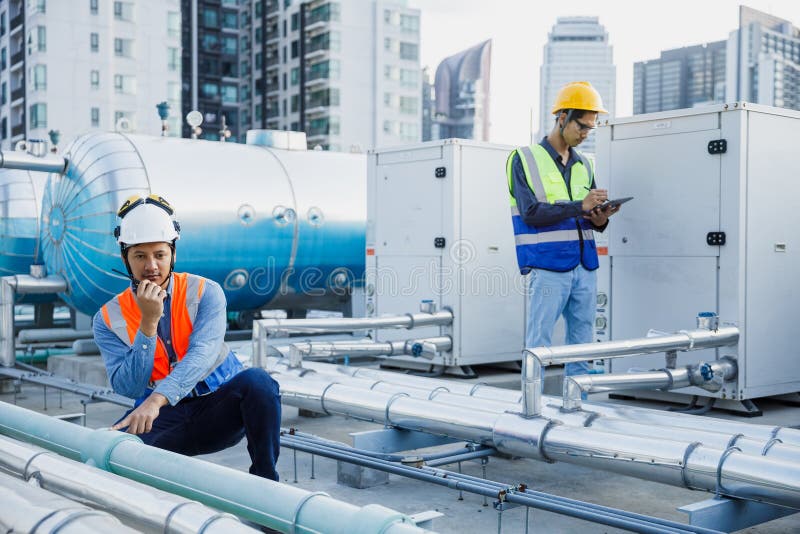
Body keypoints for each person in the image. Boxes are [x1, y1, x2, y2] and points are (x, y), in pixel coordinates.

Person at [93, 194, 281, 481]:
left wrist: (156, 400)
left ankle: (267, 483)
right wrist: (148, 324)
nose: (151, 266)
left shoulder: (206, 292)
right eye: (140, 256)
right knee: (108, 451)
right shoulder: (107, 317)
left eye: (159, 255)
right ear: (125, 259)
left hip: (218, 407)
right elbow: (128, 387)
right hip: (164, 419)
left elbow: (202, 353)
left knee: (259, 382)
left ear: (173, 255)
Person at [506, 81, 620, 377]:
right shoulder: (524, 159)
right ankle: (531, 402)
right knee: (539, 343)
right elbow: (531, 213)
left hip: (585, 265)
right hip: (548, 265)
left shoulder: (586, 164)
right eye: (581, 126)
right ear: (562, 118)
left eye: (590, 129)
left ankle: (577, 402)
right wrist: (579, 206)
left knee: (582, 345)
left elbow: (587, 215)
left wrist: (600, 218)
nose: (585, 134)